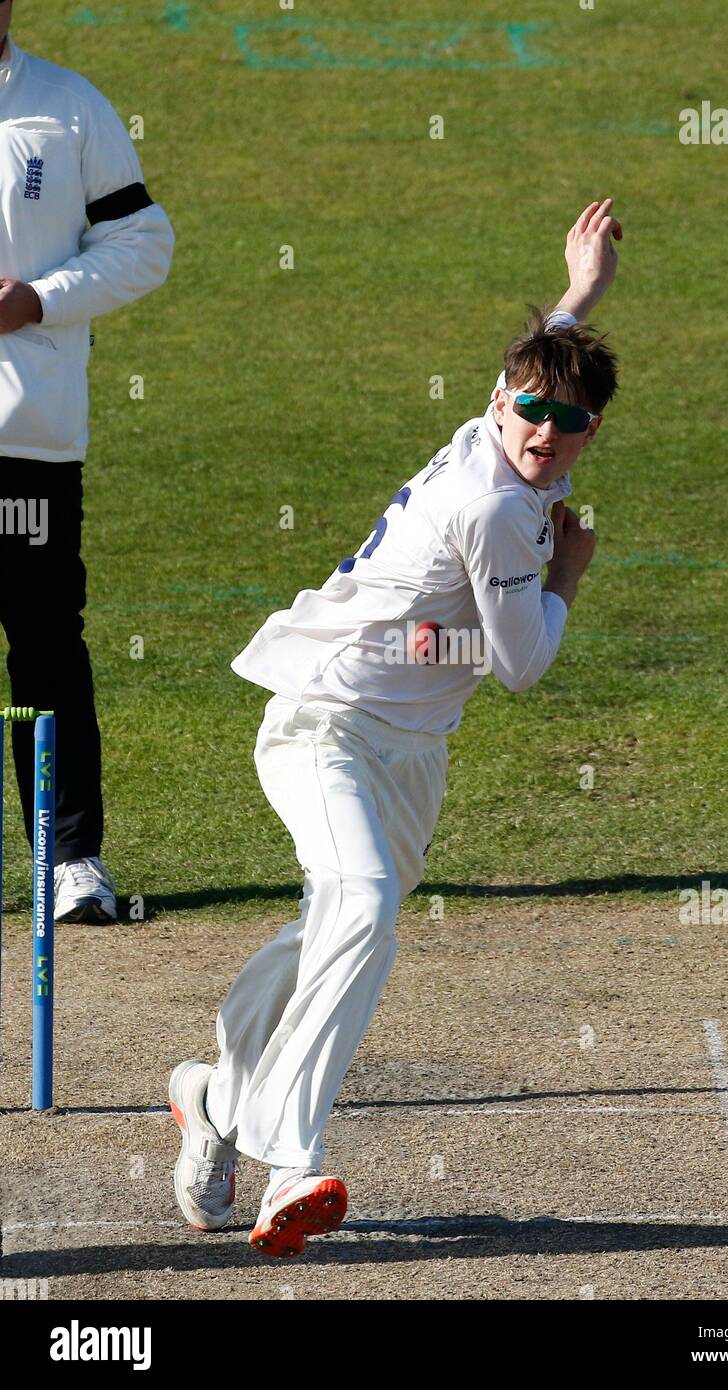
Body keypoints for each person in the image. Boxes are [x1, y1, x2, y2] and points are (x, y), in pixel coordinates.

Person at [169, 200, 622, 1256]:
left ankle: (214, 1097)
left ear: (592, 428)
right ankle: (291, 1160)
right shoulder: (500, 509)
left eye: (570, 423)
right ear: (503, 404)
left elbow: (536, 365)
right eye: (531, 413)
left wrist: (581, 291)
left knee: (341, 918)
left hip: (412, 752)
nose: (544, 434)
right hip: (325, 724)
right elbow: (519, 665)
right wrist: (566, 578)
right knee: (363, 902)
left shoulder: (490, 426)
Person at [0, 2, 174, 923]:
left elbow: (145, 243)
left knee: (46, 651)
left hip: (30, 440)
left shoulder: (66, 108)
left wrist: (37, 299)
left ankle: (69, 862)